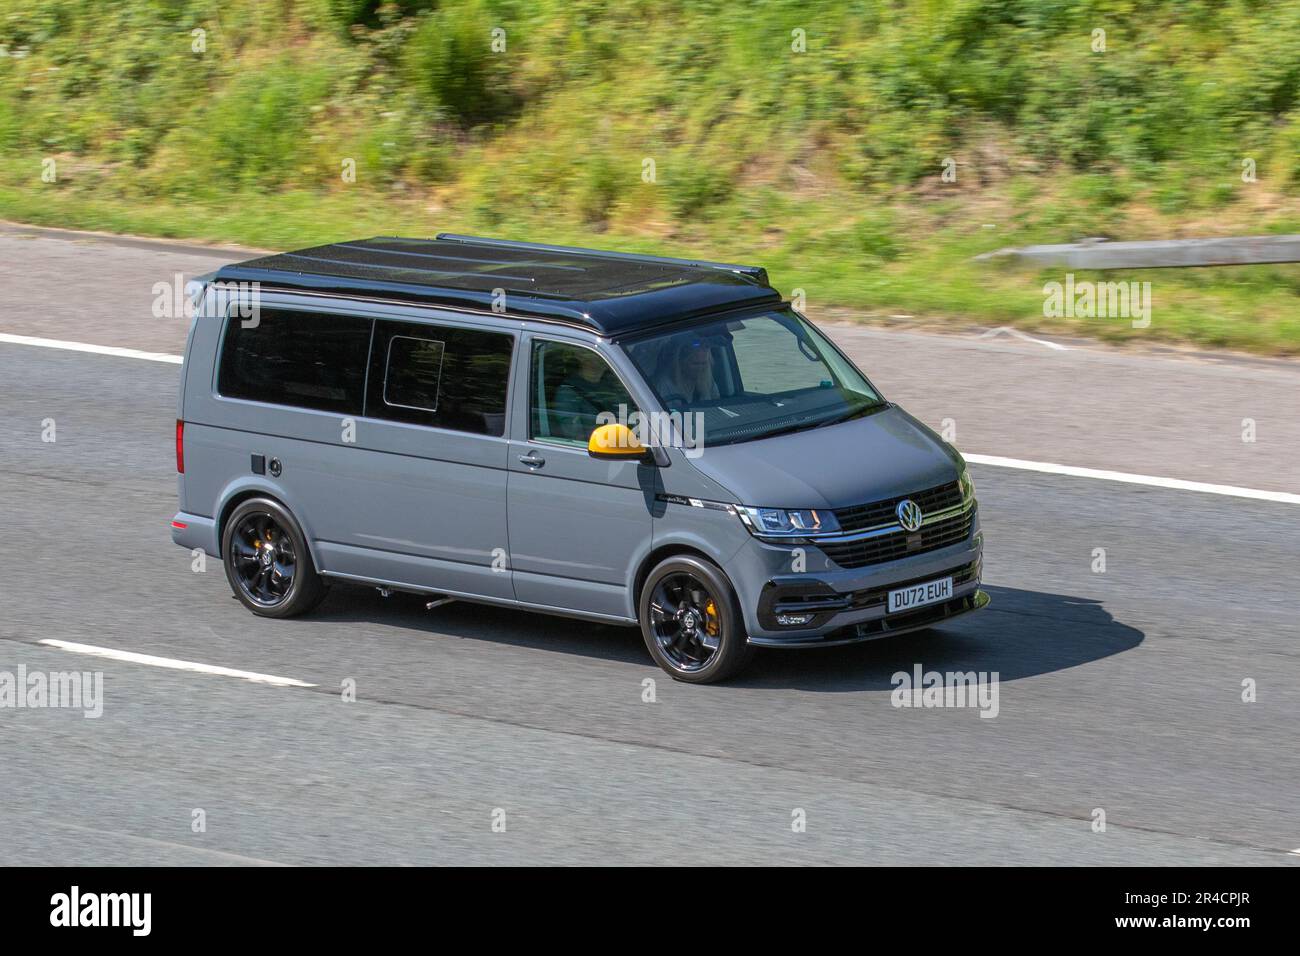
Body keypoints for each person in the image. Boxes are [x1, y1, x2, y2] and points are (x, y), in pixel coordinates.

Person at [552, 349, 629, 441]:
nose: (599, 359)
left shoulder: (615, 384)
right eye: (593, 354)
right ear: (579, 357)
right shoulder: (568, 393)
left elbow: (632, 416)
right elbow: (576, 438)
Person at [655, 334, 719, 406]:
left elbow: (717, 406)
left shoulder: (709, 382)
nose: (700, 368)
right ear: (682, 363)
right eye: (696, 364)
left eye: (703, 363)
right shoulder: (665, 385)